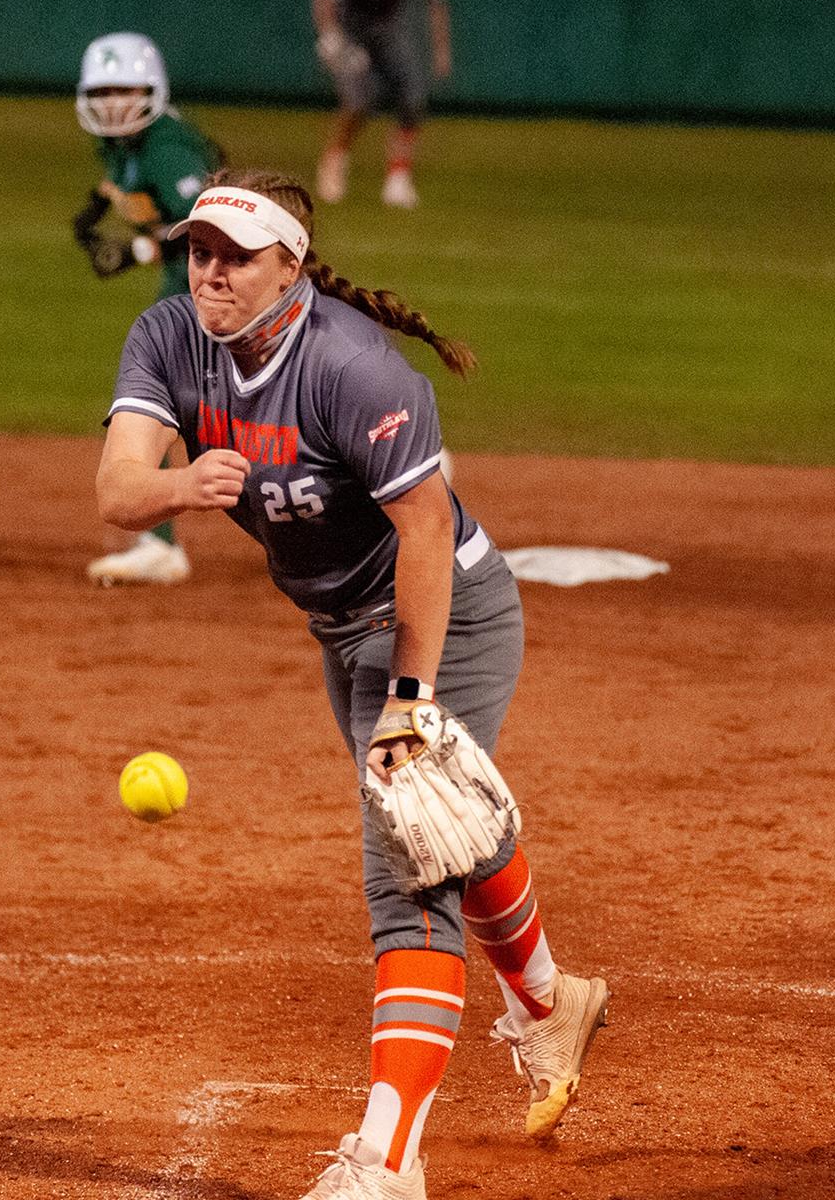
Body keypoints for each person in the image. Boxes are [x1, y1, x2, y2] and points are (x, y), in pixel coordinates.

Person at [96, 168, 609, 1199]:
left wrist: (412, 697)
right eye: (198, 249)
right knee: (450, 826)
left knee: (407, 871)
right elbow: (116, 490)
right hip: (341, 635)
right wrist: (180, 484)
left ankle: (386, 1160)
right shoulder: (167, 338)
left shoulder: (351, 366)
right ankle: (551, 1002)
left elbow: (423, 528)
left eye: (235, 255)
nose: (209, 271)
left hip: (439, 616)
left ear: (290, 265)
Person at [72, 31, 225, 587]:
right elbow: (118, 178)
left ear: (152, 89)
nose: (114, 103)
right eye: (103, 91)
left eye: (125, 89)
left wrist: (138, 248)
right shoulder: (123, 141)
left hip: (216, 283)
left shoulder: (168, 148)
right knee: (205, 401)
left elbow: (207, 224)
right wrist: (91, 211)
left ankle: (159, 546)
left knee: (151, 396)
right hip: (186, 281)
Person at [313, 0, 452, 209]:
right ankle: (334, 160)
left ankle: (398, 178)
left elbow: (436, 3)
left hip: (387, 34)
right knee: (359, 103)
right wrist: (331, 37)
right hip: (351, 34)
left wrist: (442, 51)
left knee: (414, 99)